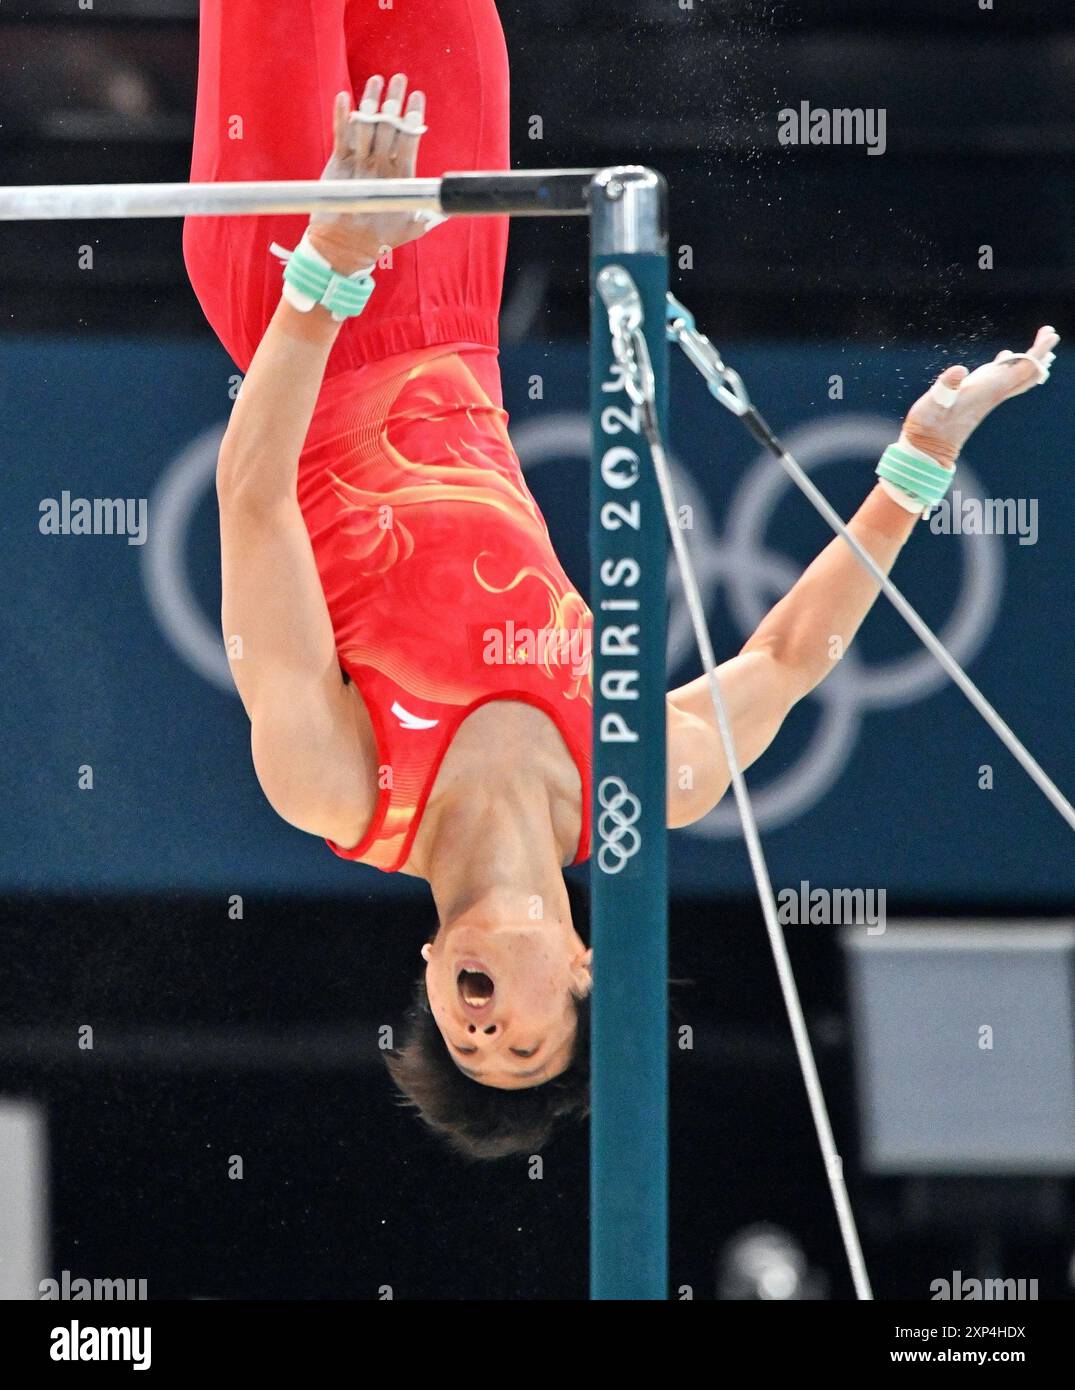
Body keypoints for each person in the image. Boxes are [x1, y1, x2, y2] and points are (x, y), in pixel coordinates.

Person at [183, 0, 1058, 1158]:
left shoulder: (339, 787)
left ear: (431, 969)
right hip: (454, 296)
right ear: (586, 969)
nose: (481, 1027)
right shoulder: (641, 778)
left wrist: (330, 267)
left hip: (291, 283)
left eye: (462, 1038)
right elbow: (786, 659)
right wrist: (917, 466)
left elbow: (251, 497)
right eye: (520, 1045)